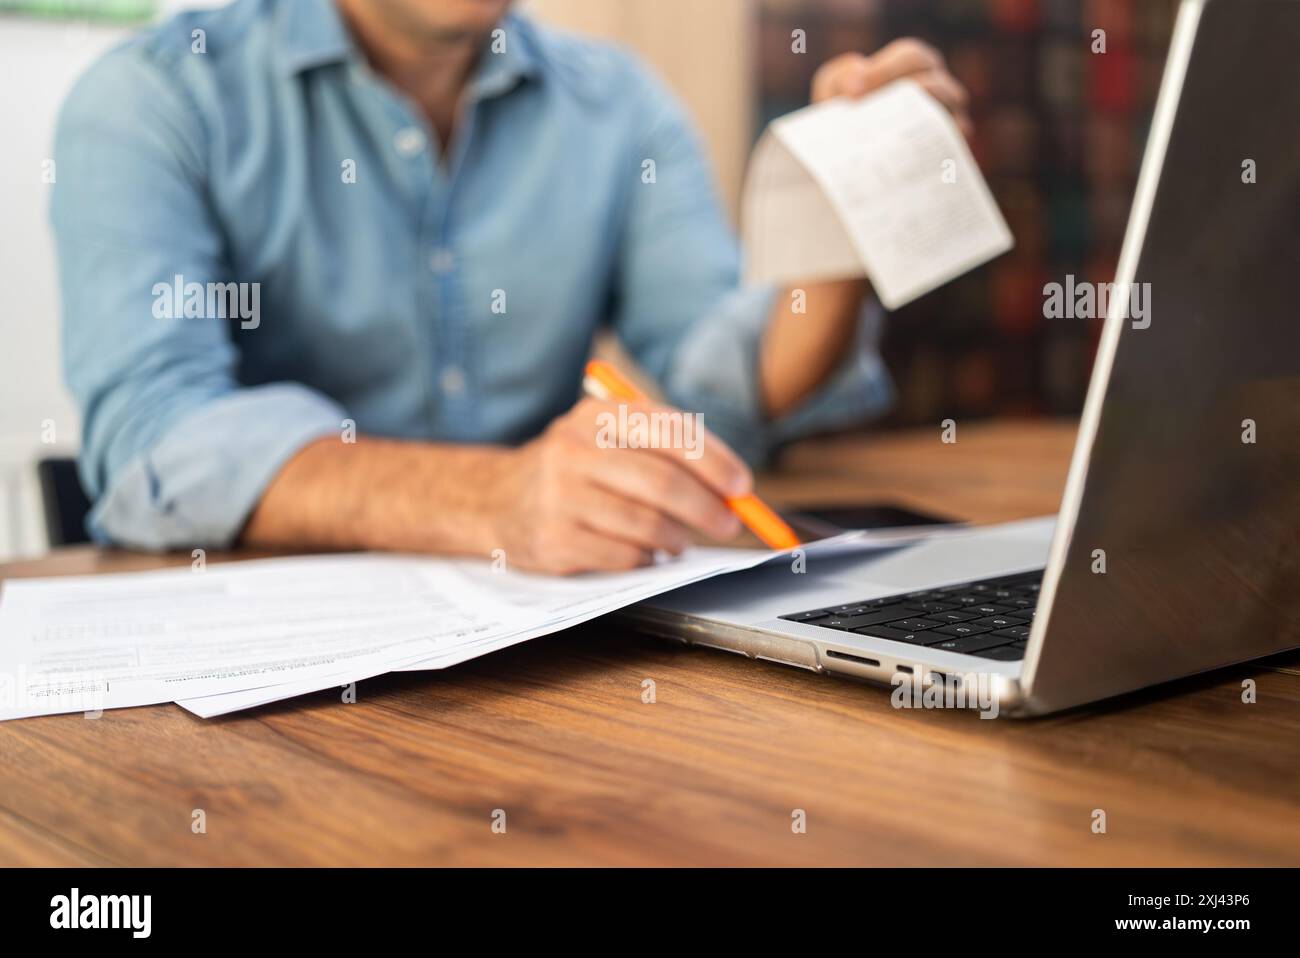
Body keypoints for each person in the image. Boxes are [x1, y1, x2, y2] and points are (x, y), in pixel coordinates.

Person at [51, 0, 971, 573]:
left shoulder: (620, 105)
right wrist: (495, 498)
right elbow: (153, 438)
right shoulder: (154, 98)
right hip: (246, 678)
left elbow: (720, 392)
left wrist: (844, 215)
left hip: (537, 642)